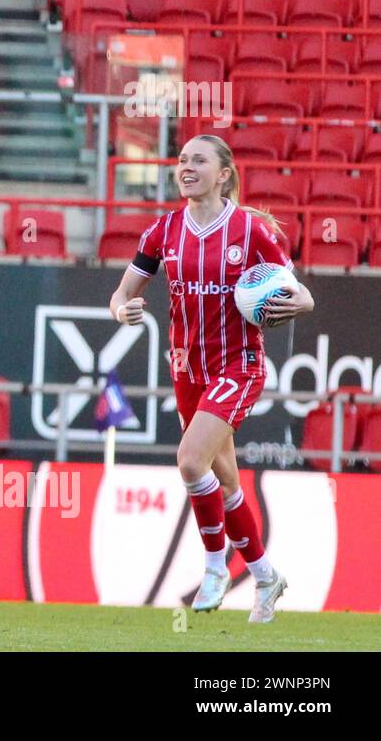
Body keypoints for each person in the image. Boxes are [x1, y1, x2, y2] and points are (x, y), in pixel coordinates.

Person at [108, 133, 314, 623]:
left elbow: (299, 291)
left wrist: (303, 303)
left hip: (238, 365)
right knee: (223, 482)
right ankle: (266, 575)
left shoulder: (249, 230)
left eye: (198, 160)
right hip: (186, 370)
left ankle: (215, 564)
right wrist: (123, 311)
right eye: (181, 160)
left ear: (223, 174)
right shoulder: (162, 232)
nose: (186, 166)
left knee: (188, 461)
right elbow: (121, 294)